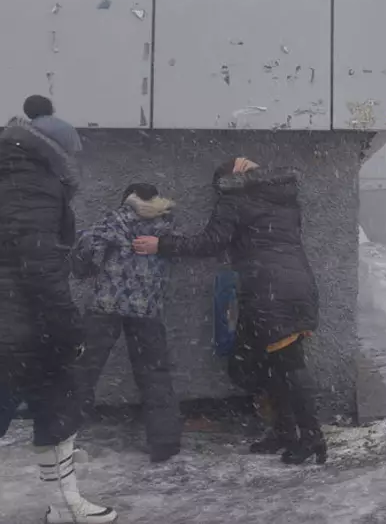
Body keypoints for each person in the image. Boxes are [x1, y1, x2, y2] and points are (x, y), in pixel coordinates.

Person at [132, 157, 326, 465]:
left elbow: (211, 242)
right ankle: (286, 431)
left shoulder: (235, 200)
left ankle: (312, 437)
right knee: (260, 364)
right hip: (293, 285)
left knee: (288, 365)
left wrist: (162, 244)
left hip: (269, 289)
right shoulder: (284, 198)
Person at [0, 101, 118, 523]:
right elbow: (40, 268)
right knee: (53, 409)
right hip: (22, 331)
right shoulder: (31, 185)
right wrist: (72, 330)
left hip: (24, 329)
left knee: (56, 411)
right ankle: (65, 507)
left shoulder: (14, 176)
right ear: (57, 153)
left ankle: (66, 506)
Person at [71, 183, 182, 463]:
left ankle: (63, 434)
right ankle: (164, 442)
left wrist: (84, 268)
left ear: (127, 200)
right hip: (147, 308)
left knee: (84, 369)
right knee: (155, 373)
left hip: (106, 304)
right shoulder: (166, 225)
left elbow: (86, 249)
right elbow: (177, 253)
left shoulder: (116, 219)